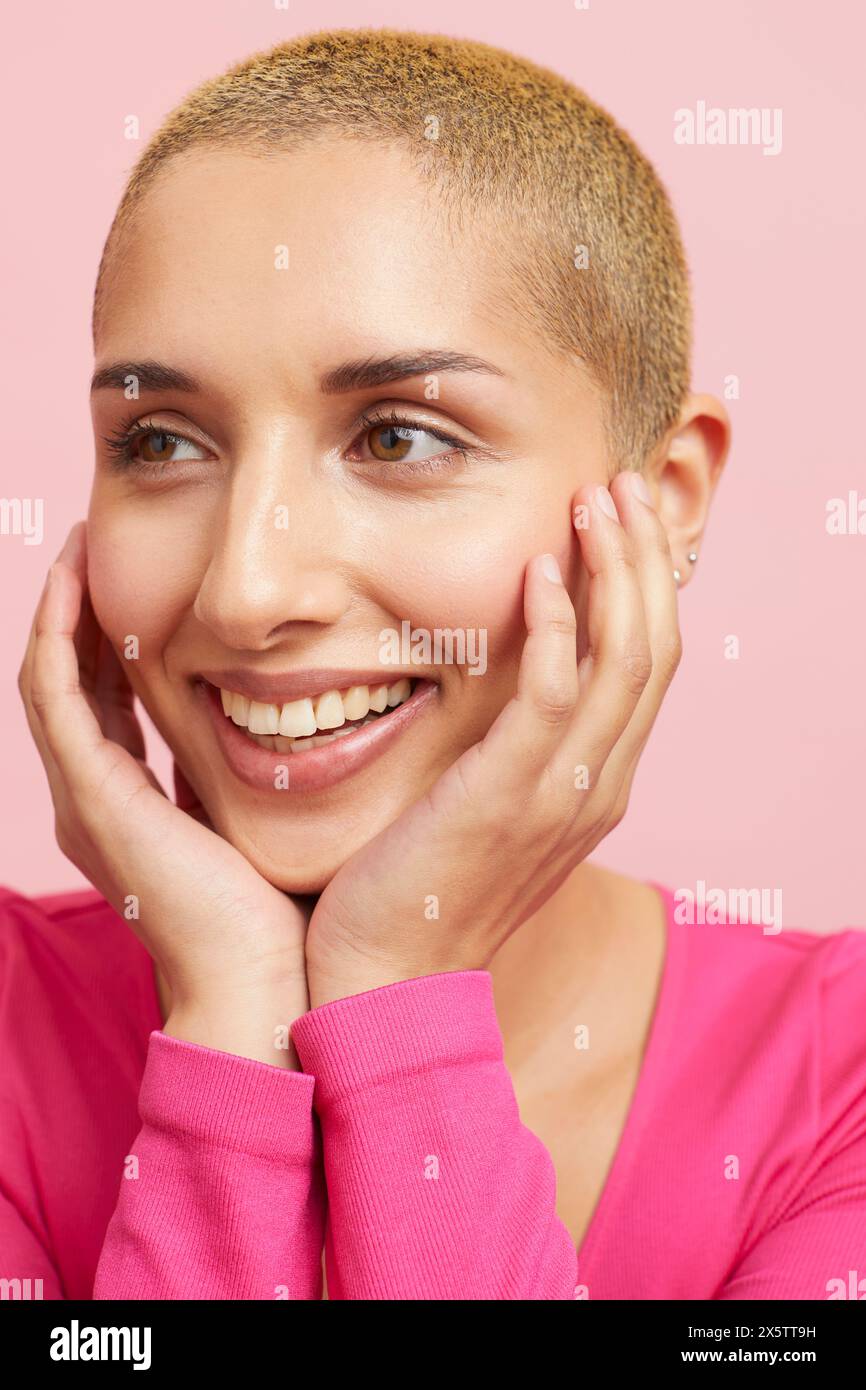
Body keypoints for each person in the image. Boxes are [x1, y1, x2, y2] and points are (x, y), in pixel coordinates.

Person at [3, 29, 865, 1302]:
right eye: (163, 441)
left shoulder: (831, 1086)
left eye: (399, 436)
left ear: (665, 498)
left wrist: (395, 1004)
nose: (247, 590)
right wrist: (232, 1025)